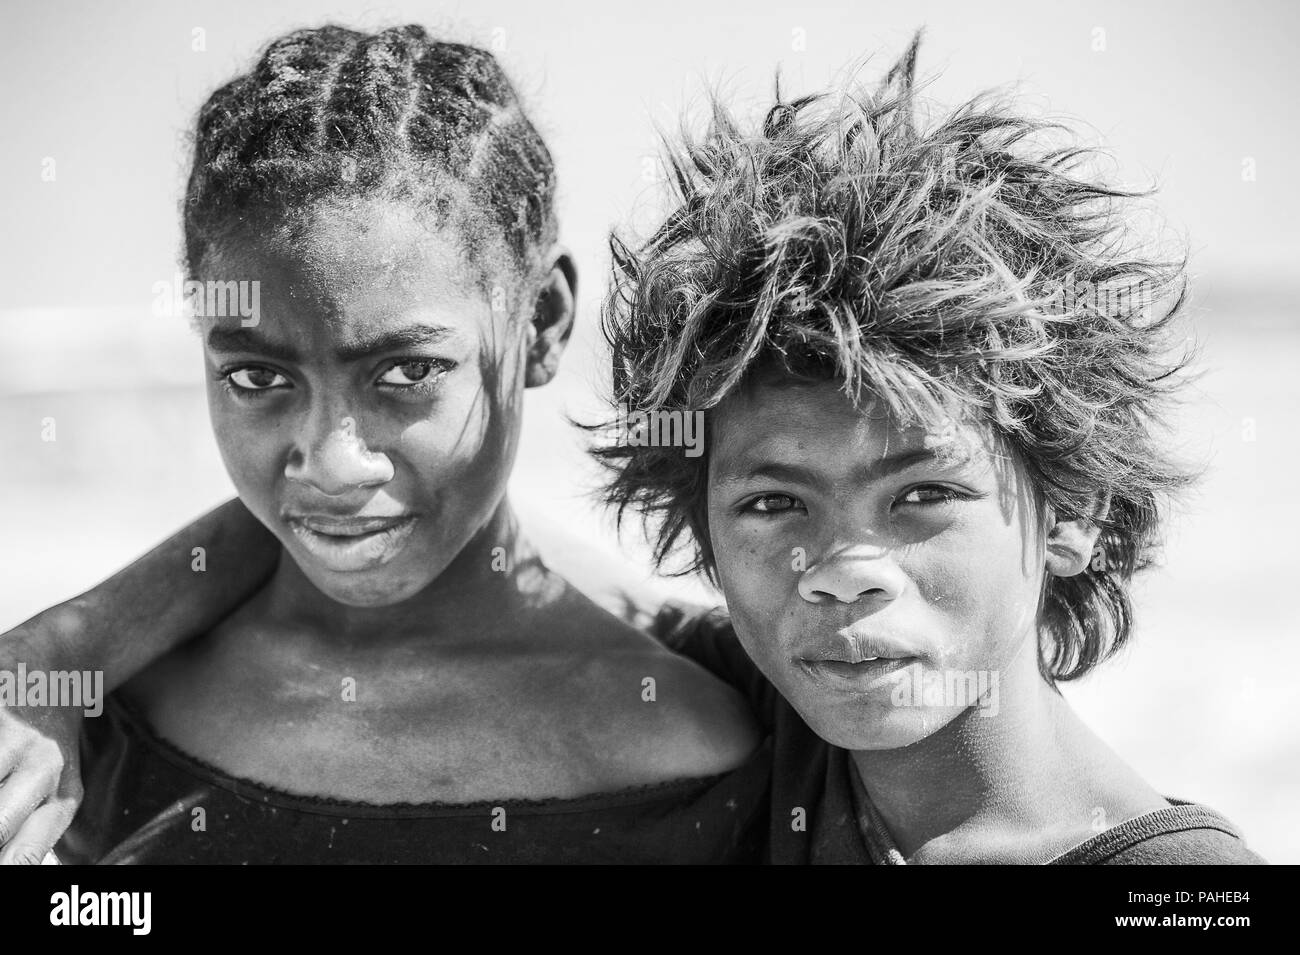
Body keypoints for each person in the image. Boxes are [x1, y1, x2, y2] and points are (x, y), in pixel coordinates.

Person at [1, 33, 1265, 865]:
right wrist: (65, 651)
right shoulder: (773, 704)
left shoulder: (1164, 877)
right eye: (771, 504)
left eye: (924, 493)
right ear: (710, 522)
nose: (845, 569)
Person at [0, 23, 766, 864]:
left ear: (541, 322)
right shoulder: (83, 726)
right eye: (257, 377)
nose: (330, 462)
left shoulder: (715, 737)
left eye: (406, 372)